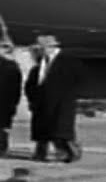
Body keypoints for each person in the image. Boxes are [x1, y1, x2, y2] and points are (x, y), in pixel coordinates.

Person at [24, 34, 86, 163]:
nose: (39, 50)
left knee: (60, 130)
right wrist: (32, 98)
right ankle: (40, 153)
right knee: (42, 130)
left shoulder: (68, 61)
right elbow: (32, 83)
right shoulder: (39, 65)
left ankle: (68, 152)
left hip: (61, 101)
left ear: (51, 47)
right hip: (41, 101)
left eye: (42, 48)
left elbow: (79, 79)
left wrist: (70, 95)